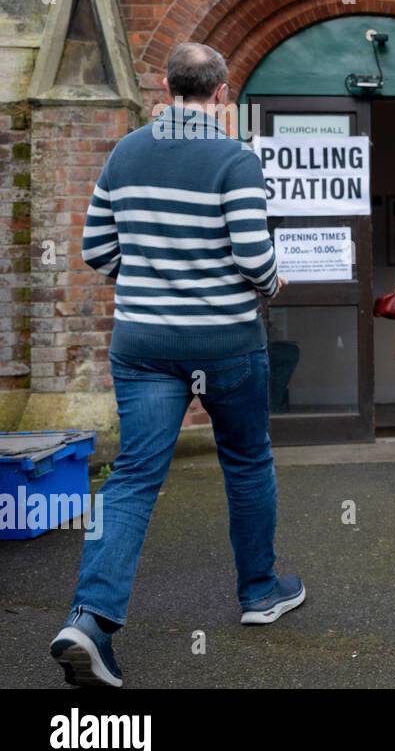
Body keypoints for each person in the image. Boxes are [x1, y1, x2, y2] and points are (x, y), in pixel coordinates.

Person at [49, 42, 304, 688]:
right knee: (247, 460)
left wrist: (149, 285)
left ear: (166, 88)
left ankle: (90, 619)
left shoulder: (125, 153)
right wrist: (272, 285)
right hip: (226, 342)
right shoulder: (234, 158)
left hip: (143, 343)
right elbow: (254, 256)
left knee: (134, 474)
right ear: (222, 94)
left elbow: (95, 249)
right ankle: (260, 592)